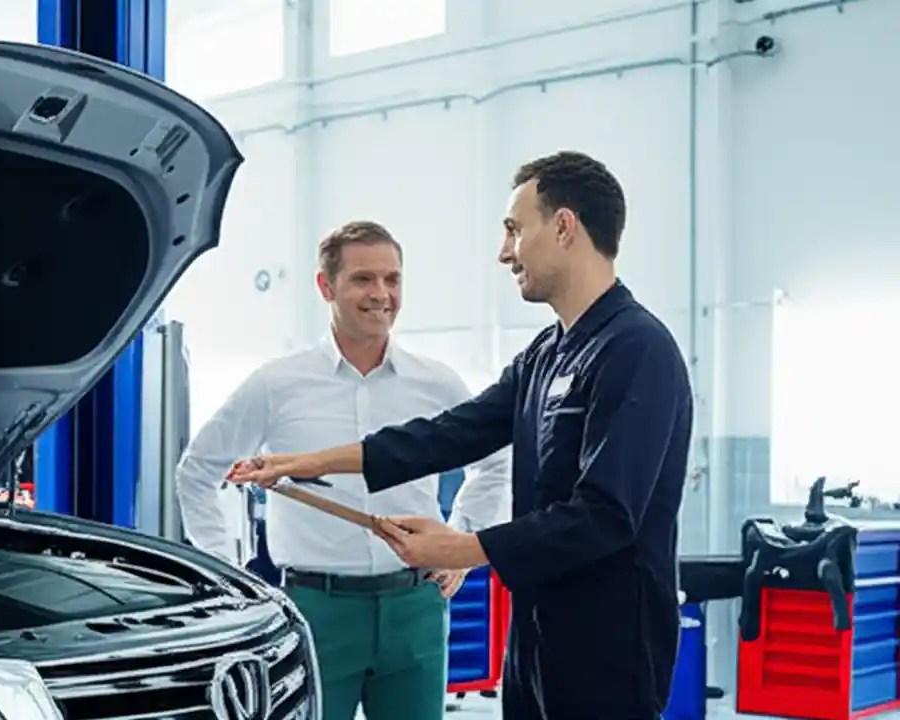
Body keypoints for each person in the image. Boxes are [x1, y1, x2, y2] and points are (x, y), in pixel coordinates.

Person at [228, 152, 693, 720]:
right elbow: (450, 435)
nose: (505, 252)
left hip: (610, 644)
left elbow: (606, 514)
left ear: (565, 226)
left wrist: (464, 549)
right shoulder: (546, 355)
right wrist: (302, 462)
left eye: (515, 230)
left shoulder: (637, 350)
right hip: (537, 634)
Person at [175, 220, 511, 720]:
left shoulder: (436, 384)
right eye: (363, 279)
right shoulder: (277, 384)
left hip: (415, 607)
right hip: (315, 613)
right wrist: (233, 577)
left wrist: (462, 544)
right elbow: (198, 471)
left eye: (392, 279)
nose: (381, 294)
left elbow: (496, 463)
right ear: (325, 286)